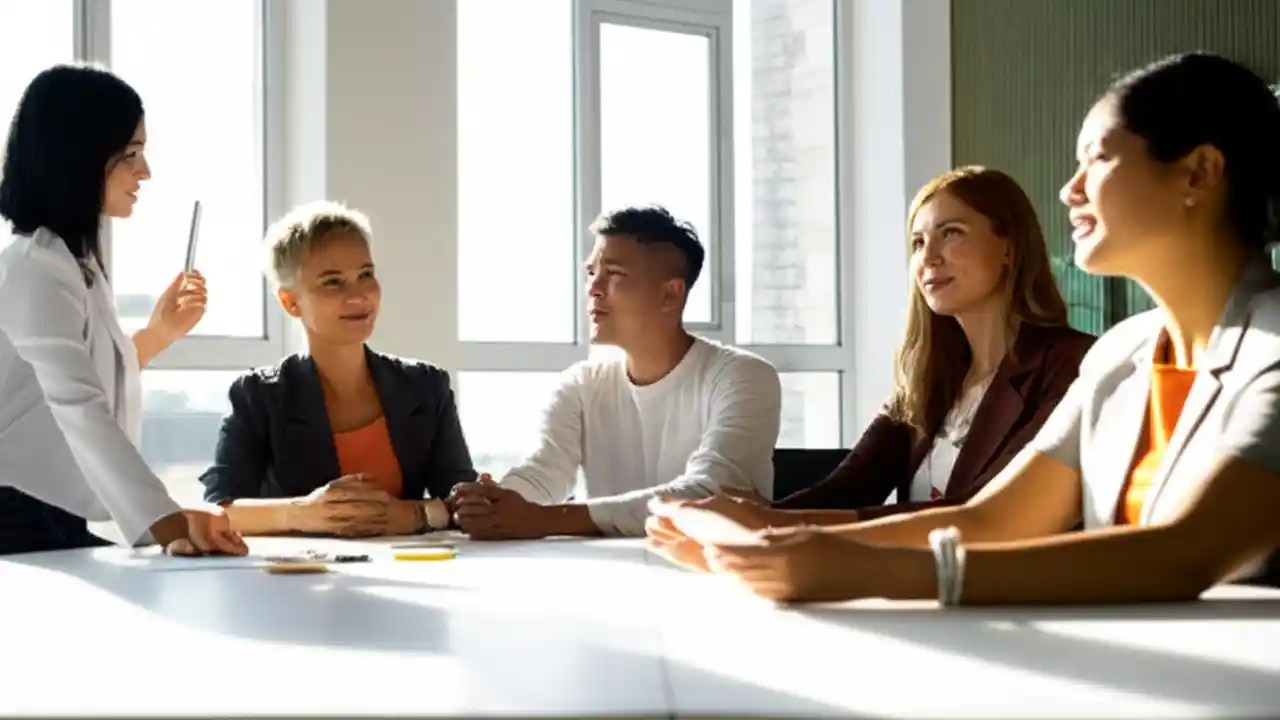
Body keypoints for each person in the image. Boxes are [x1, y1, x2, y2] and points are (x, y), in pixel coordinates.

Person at [650, 52, 1280, 604]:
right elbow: (993, 519)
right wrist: (780, 542)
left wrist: (872, 570)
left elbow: (1181, 555)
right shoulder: (1121, 353)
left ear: (1198, 172)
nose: (1069, 190)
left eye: (1098, 159)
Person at [677, 167, 1093, 540]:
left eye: (951, 233)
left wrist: (778, 524)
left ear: (1009, 248)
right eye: (918, 241)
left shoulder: (1071, 364)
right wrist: (754, 516)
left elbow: (983, 511)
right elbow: (849, 489)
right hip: (913, 591)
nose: (928, 257)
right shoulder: (929, 375)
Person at [0, 64, 245, 556]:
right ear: (81, 158)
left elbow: (80, 381)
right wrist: (167, 520)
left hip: (44, 517)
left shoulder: (72, 262)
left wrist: (156, 335)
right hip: (16, 520)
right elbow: (77, 405)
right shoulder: (36, 267)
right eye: (131, 155)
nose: (145, 172)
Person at [450, 205, 781, 539]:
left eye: (615, 274)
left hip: (712, 574)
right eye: (591, 273)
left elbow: (712, 494)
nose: (594, 288)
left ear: (670, 293)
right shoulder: (580, 384)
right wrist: (493, 503)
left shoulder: (743, 376)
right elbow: (542, 475)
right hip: (604, 575)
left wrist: (547, 519)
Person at [199, 201, 476, 537]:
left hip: (411, 573)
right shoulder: (258, 395)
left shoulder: (426, 386)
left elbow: (467, 503)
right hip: (299, 581)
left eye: (366, 275)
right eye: (333, 282)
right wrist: (301, 514)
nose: (359, 296)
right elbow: (218, 509)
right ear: (290, 302)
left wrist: (415, 515)